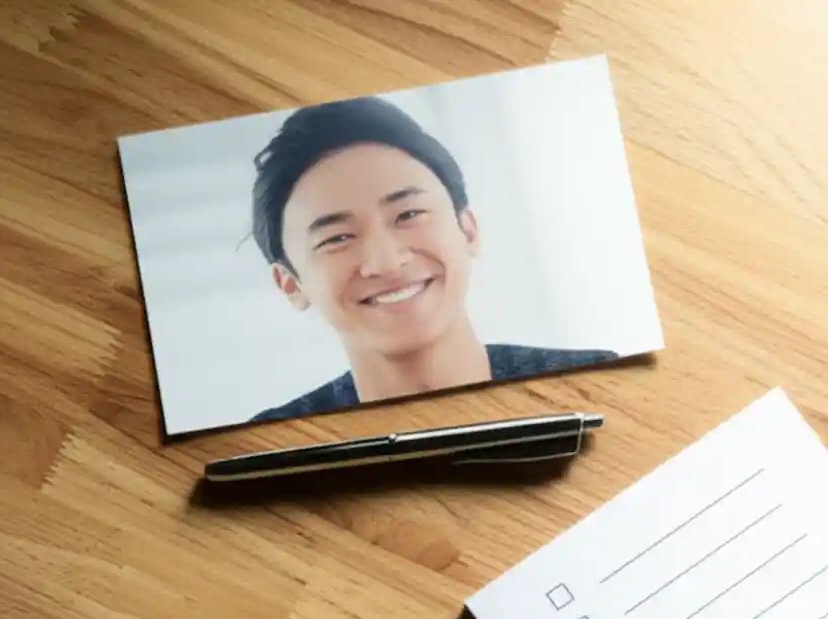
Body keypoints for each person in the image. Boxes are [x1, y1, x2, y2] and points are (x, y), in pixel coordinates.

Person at [249, 97, 616, 421]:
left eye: (408, 215)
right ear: (291, 285)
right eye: (337, 238)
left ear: (468, 231)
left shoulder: (597, 383)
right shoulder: (275, 441)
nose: (387, 262)